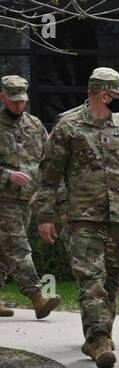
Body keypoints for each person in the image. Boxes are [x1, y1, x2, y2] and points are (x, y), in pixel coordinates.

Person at [32, 68, 119, 368]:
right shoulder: (68, 128)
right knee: (91, 279)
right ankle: (98, 339)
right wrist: (45, 215)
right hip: (84, 217)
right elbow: (48, 177)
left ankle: (99, 329)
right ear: (104, 94)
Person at [0, 74, 60, 319]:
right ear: (2, 97)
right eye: (13, 101)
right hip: (4, 199)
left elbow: (48, 161)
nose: (18, 105)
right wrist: (6, 175)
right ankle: (38, 297)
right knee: (18, 248)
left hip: (29, 199)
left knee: (5, 250)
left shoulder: (35, 125)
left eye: (22, 101)